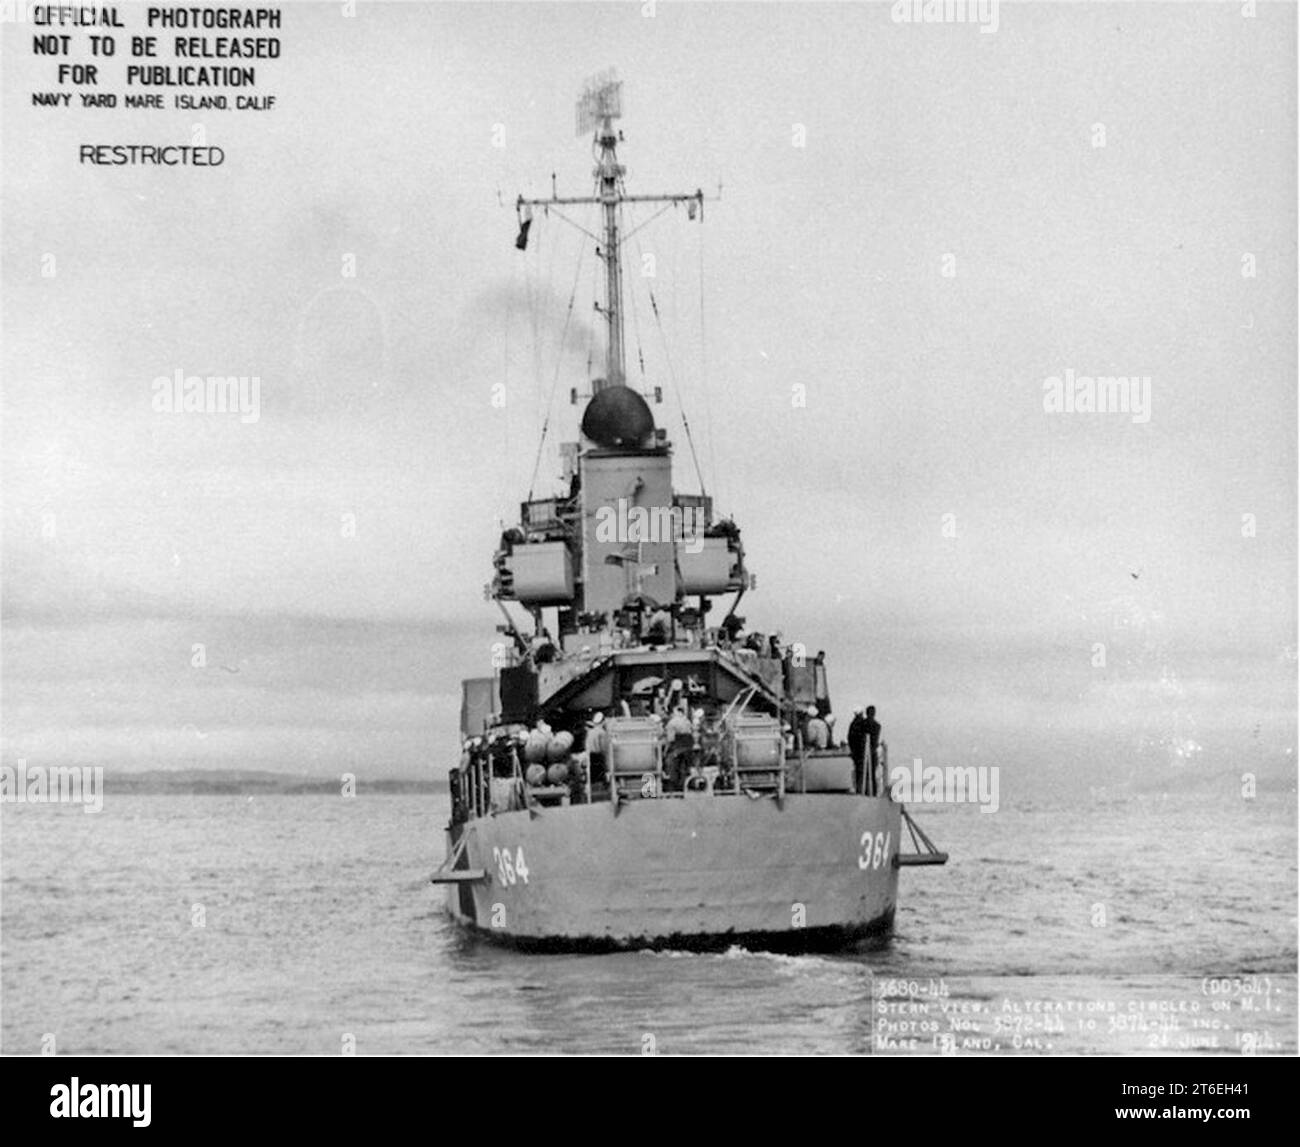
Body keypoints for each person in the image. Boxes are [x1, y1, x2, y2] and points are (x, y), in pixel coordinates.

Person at [847, 707, 868, 792]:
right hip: (861, 750)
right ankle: (862, 789)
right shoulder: (863, 723)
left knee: (857, 770)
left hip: (855, 750)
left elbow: (849, 737)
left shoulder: (853, 724)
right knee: (862, 770)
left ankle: (858, 788)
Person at [864, 705, 881, 794]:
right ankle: (873, 792)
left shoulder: (863, 724)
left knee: (864, 774)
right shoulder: (877, 725)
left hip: (864, 752)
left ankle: (866, 791)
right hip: (873, 751)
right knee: (873, 774)